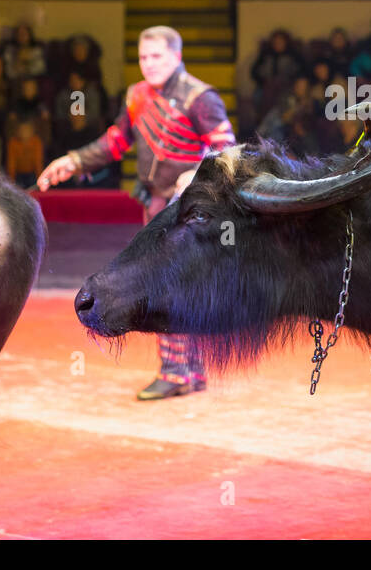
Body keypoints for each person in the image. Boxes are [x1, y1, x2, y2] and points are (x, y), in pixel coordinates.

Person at [37, 26, 235, 400]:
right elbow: (115, 141)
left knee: (171, 285)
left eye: (157, 56)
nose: (149, 64)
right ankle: (187, 371)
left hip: (189, 211)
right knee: (172, 284)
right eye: (144, 57)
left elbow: (226, 148)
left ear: (176, 57)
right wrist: (73, 161)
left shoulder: (199, 97)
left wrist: (194, 174)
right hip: (156, 205)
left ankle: (178, 371)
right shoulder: (137, 96)